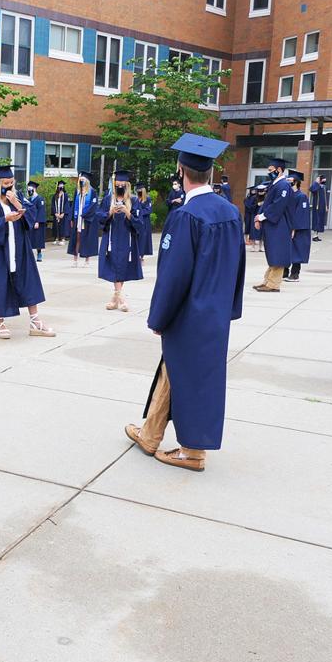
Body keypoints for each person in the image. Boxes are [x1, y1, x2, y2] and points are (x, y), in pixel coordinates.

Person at [125, 134, 244, 473]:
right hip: (215, 311)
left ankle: (193, 451)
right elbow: (238, 265)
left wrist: (158, 317)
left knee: (192, 378)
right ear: (209, 172)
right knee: (176, 369)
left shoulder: (186, 215)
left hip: (189, 313)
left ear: (181, 170)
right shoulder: (230, 212)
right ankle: (150, 434)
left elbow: (173, 275)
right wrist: (230, 307)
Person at [0, 166, 56, 339]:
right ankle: (0, 322)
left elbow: (31, 214)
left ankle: (35, 322)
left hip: (20, 248)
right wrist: (5, 219)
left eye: (11, 182)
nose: (9, 186)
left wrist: (16, 203)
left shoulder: (18, 196)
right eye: (6, 183)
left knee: (28, 281)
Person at [96, 171, 144, 311]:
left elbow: (140, 223)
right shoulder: (108, 199)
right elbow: (99, 217)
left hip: (126, 239)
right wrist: (110, 212)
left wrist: (127, 212)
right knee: (114, 265)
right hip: (111, 240)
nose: (120, 187)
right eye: (118, 185)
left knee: (121, 266)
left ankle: (115, 298)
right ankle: (120, 298)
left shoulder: (133, 201)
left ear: (127, 185)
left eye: (123, 185)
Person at [252, 157, 291, 293]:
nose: (269, 172)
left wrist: (262, 217)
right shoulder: (275, 184)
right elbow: (267, 203)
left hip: (279, 224)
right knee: (273, 252)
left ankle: (273, 284)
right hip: (272, 223)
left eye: (271, 170)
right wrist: (259, 218)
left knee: (278, 253)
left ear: (279, 169)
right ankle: (267, 281)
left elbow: (278, 205)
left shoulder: (284, 185)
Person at [66, 171, 97, 267]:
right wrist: (72, 218)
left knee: (87, 239)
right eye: (80, 179)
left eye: (83, 179)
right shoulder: (77, 191)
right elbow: (73, 205)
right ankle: (75, 260)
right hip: (77, 219)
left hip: (87, 219)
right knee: (77, 238)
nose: (81, 181)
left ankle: (87, 260)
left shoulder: (92, 192)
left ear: (87, 181)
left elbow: (93, 206)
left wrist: (85, 214)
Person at [285, 170, 311, 283]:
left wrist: (294, 229)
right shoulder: (288, 195)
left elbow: (301, 214)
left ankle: (295, 274)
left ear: (295, 182)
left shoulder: (301, 196)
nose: (287, 182)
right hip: (287, 227)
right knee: (286, 251)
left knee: (297, 251)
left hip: (298, 229)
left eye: (289, 180)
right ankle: (284, 272)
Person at [25, 179, 46, 262]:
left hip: (37, 222)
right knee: (30, 239)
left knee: (38, 239)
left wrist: (37, 221)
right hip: (30, 222)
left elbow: (41, 211)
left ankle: (39, 253)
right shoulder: (29, 200)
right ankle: (29, 255)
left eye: (30, 189)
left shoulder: (40, 199)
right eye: (28, 189)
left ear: (34, 189)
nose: (29, 191)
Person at [134, 182, 154, 259]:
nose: (138, 191)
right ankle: (136, 253)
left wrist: (139, 212)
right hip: (137, 220)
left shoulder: (147, 199)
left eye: (140, 190)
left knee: (143, 238)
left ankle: (141, 255)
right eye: (137, 190)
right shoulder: (135, 199)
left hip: (144, 221)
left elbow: (149, 210)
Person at [310, 174, 328, 242]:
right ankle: (314, 236)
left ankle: (316, 235)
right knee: (316, 220)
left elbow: (325, 197)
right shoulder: (316, 186)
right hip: (317, 206)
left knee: (320, 220)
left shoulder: (323, 187)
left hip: (322, 206)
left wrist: (326, 206)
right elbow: (312, 189)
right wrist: (316, 182)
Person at [51, 180, 68, 245]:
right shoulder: (55, 196)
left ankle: (63, 239)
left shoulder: (65, 195)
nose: (61, 187)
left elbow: (66, 204)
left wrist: (63, 213)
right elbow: (53, 205)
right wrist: (55, 213)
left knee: (63, 226)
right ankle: (56, 238)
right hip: (56, 214)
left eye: (62, 186)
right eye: (59, 186)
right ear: (57, 187)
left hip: (62, 214)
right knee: (56, 226)